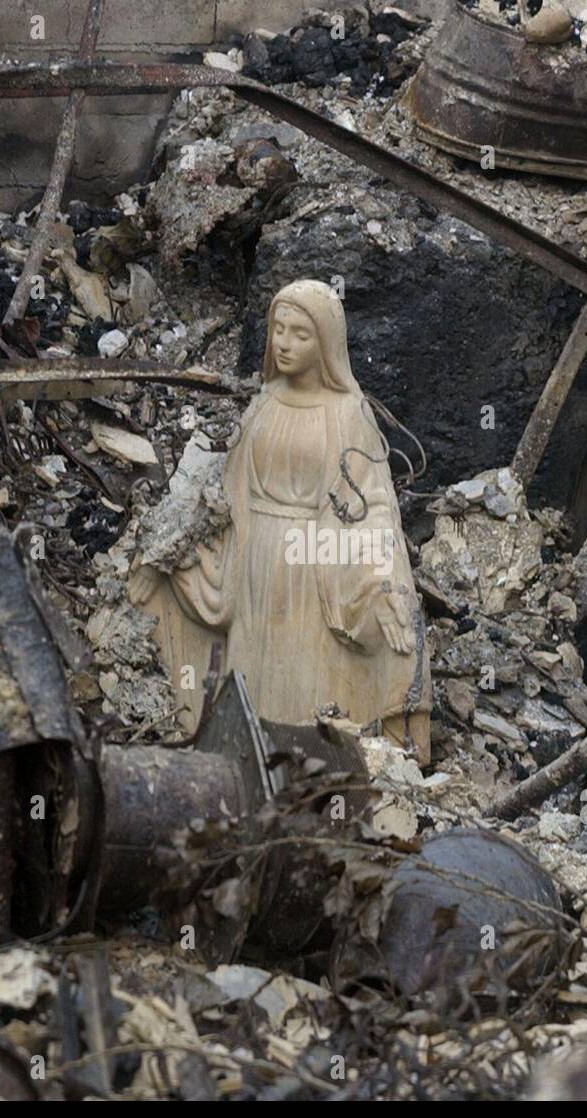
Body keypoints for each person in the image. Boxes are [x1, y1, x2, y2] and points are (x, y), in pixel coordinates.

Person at [132, 279, 430, 761]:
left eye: (300, 334)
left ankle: (309, 767)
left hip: (313, 566)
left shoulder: (348, 414)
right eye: (278, 329)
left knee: (304, 680)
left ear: (326, 343)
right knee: (254, 679)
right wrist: (169, 552)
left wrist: (381, 584)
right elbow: (224, 497)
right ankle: (245, 764)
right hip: (255, 560)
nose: (284, 343)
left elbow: (371, 507)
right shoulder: (264, 404)